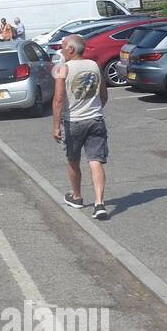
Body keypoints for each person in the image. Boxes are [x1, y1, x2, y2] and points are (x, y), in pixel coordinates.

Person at [52, 33, 110, 220]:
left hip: (73, 122)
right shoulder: (94, 65)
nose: (60, 49)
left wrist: (56, 126)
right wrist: (95, 108)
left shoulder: (64, 69)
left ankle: (77, 197)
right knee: (95, 161)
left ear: (71, 48)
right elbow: (104, 95)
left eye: (62, 46)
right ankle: (99, 203)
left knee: (73, 159)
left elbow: (59, 99)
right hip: (95, 119)